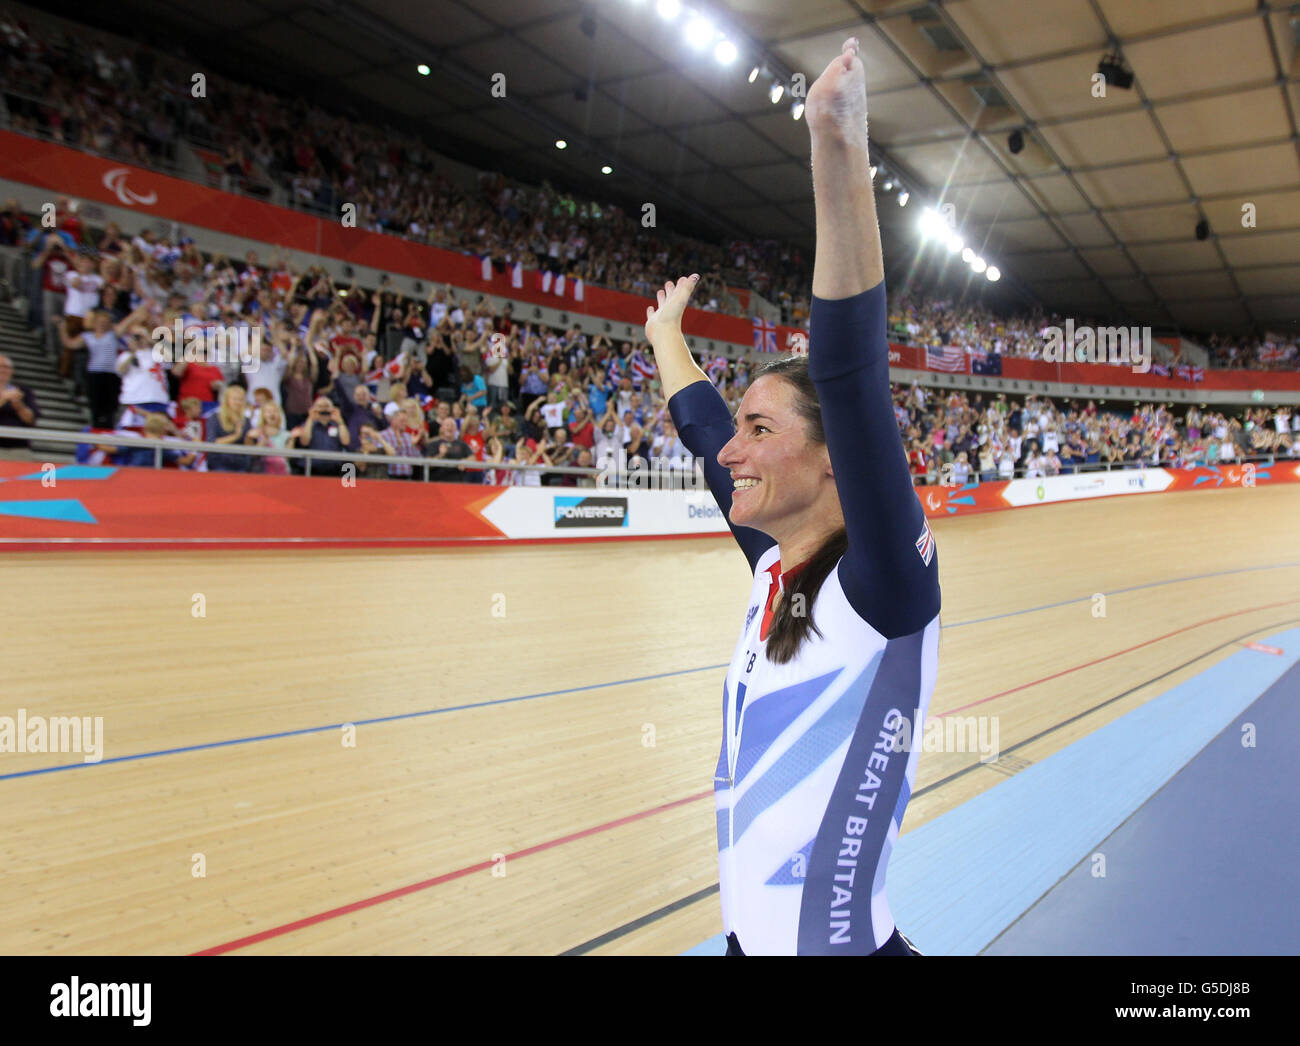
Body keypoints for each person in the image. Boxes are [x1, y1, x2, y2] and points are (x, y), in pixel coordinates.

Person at [641, 38, 938, 957]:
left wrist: (836, 145)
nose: (735, 450)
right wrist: (664, 337)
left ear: (837, 461)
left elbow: (849, 371)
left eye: (762, 430)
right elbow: (702, 435)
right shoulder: (778, 566)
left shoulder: (883, 587)